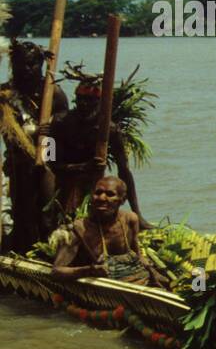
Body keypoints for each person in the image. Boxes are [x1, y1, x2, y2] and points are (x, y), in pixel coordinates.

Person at [45, 70, 143, 224]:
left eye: (90, 100)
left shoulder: (109, 129)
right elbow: (49, 162)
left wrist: (137, 213)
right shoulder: (59, 122)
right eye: (81, 99)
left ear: (99, 102)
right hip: (63, 184)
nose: (84, 104)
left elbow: (124, 170)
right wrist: (83, 167)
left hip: (94, 187)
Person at [0, 40, 67, 251]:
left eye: (32, 64)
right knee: (21, 212)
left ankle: (50, 250)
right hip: (17, 160)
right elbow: (7, 130)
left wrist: (50, 134)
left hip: (48, 157)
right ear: (13, 64)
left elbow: (64, 128)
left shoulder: (53, 93)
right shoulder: (5, 94)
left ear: (41, 64)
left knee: (48, 211)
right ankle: (22, 250)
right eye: (22, 64)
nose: (27, 69)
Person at [50, 175, 163, 286]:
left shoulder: (130, 220)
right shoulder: (79, 229)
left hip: (135, 280)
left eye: (110, 194)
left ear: (122, 200)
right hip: (105, 288)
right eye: (98, 193)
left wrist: (152, 272)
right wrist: (88, 270)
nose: (102, 198)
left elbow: (138, 255)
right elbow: (56, 272)